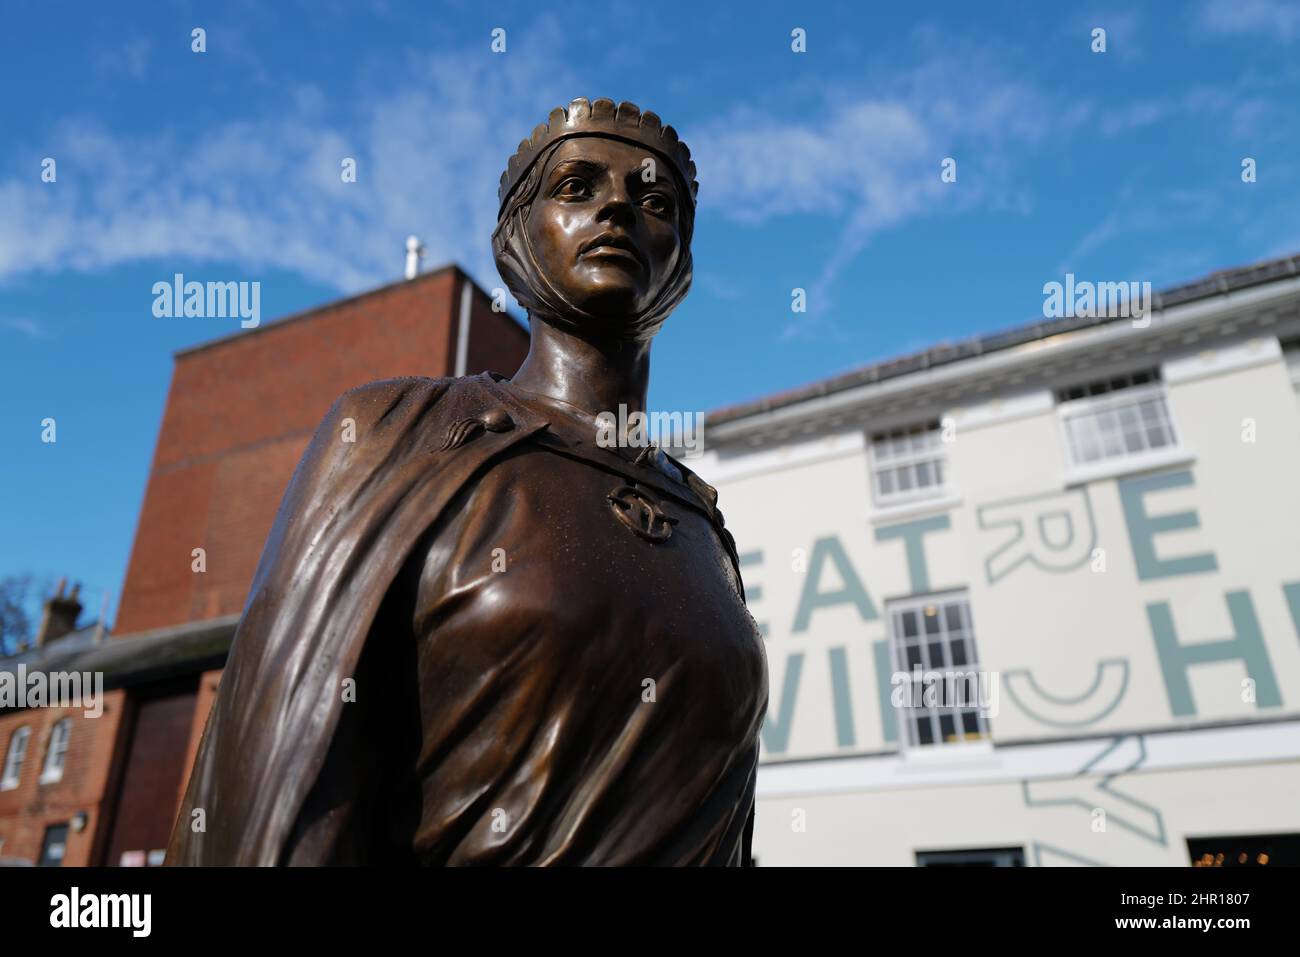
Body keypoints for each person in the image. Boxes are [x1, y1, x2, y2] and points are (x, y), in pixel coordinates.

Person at [166, 97, 769, 866]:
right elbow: (283, 767)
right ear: (514, 238)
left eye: (653, 200)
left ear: (680, 260)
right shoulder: (401, 432)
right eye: (578, 186)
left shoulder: (703, 526)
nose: (618, 205)